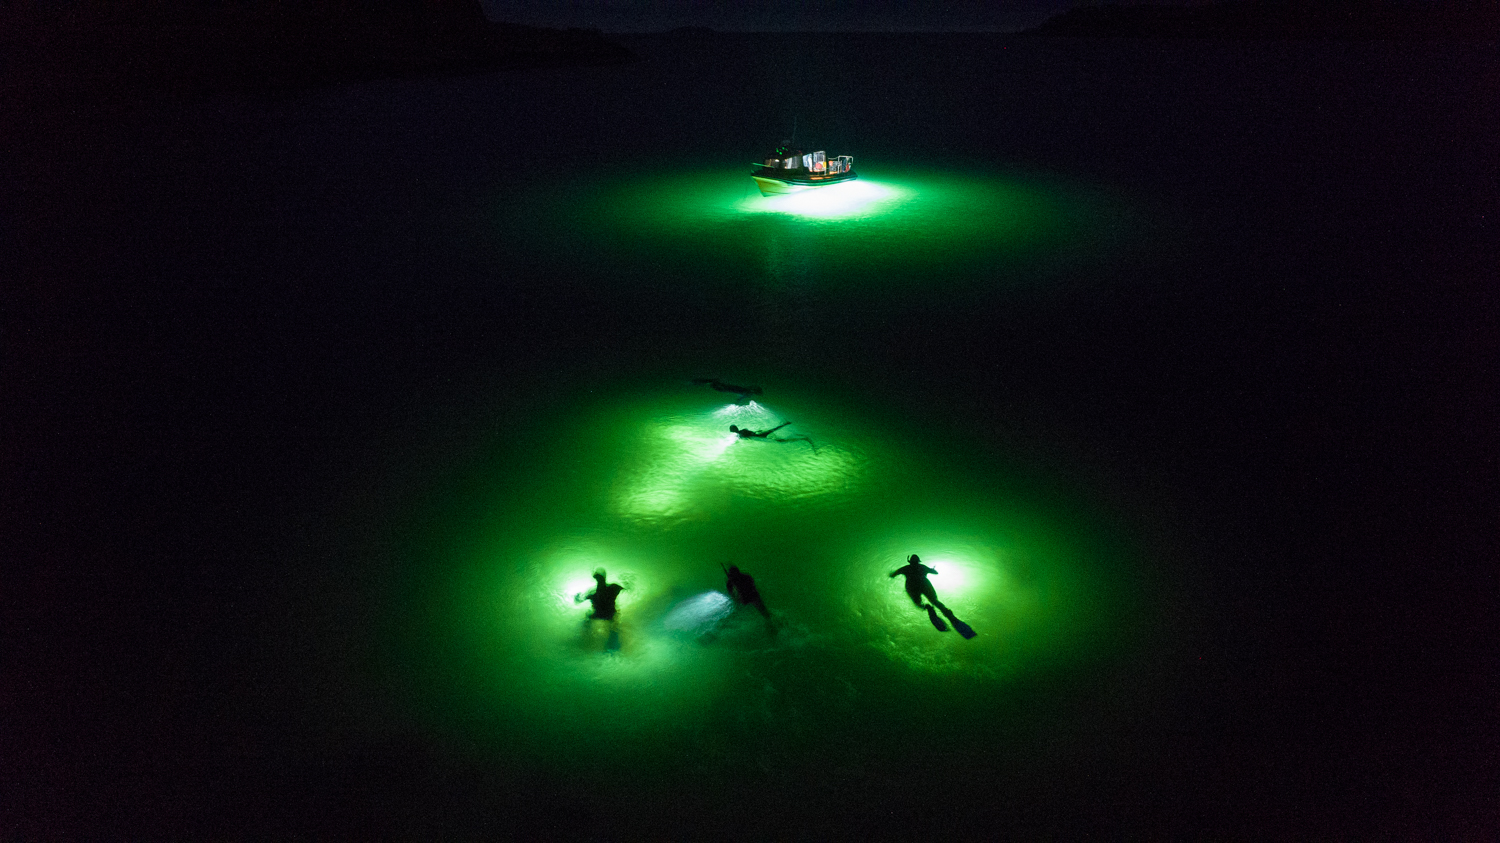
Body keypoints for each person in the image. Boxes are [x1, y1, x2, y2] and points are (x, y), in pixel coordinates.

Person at [693, 378, 763, 401]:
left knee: (722, 386)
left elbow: (742, 395)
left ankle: (712, 382)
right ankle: (711, 382)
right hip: (732, 389)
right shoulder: (749, 393)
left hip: (734, 387)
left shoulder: (749, 391)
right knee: (720, 389)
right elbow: (741, 397)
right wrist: (737, 402)